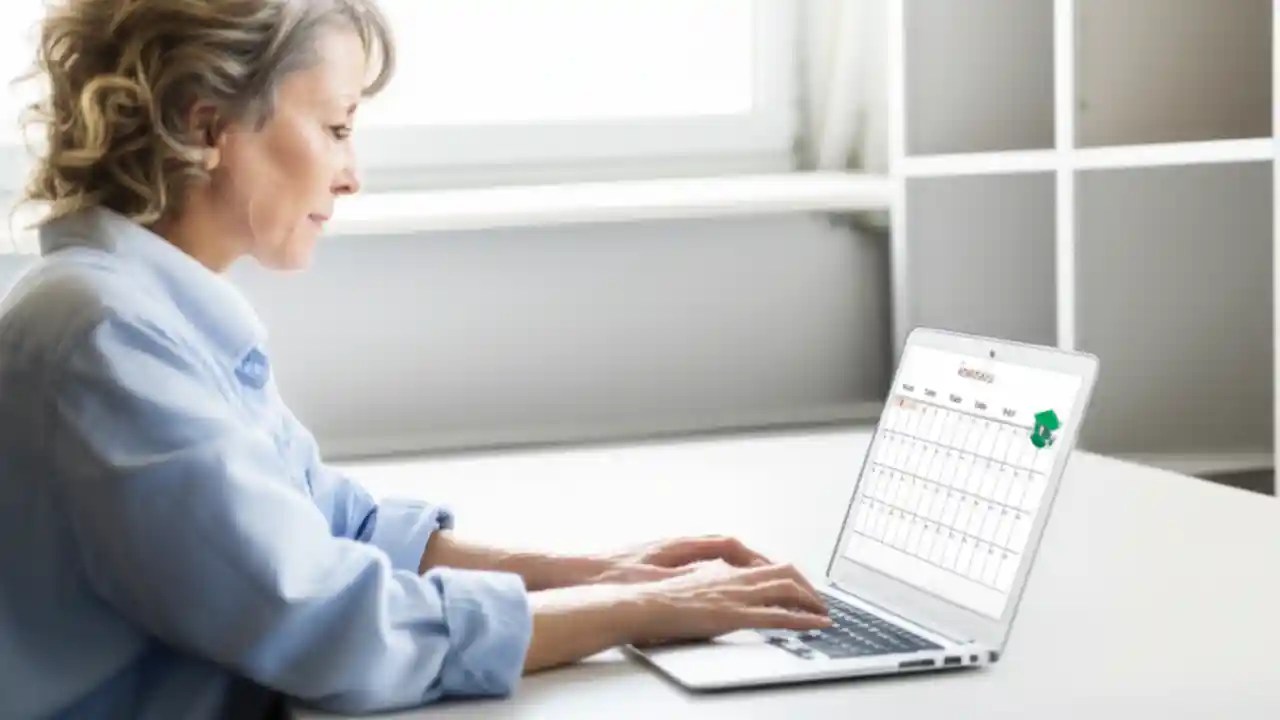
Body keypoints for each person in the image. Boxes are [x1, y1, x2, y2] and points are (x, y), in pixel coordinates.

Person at [0, 1, 832, 717]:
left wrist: (591, 572)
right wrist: (631, 608)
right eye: (334, 127)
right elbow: (334, 629)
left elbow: (339, 528)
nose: (352, 174)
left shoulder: (144, 312)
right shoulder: (101, 339)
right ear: (205, 125)